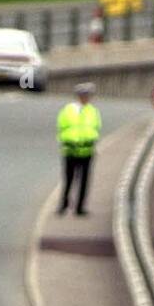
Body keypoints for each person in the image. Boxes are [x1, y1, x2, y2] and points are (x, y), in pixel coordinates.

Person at [56, 82, 102, 216]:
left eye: (88, 95)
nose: (86, 97)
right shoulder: (68, 110)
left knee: (84, 181)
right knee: (68, 179)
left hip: (87, 151)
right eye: (83, 95)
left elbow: (96, 128)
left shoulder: (93, 111)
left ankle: (80, 208)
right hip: (70, 150)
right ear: (78, 96)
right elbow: (62, 126)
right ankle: (63, 205)